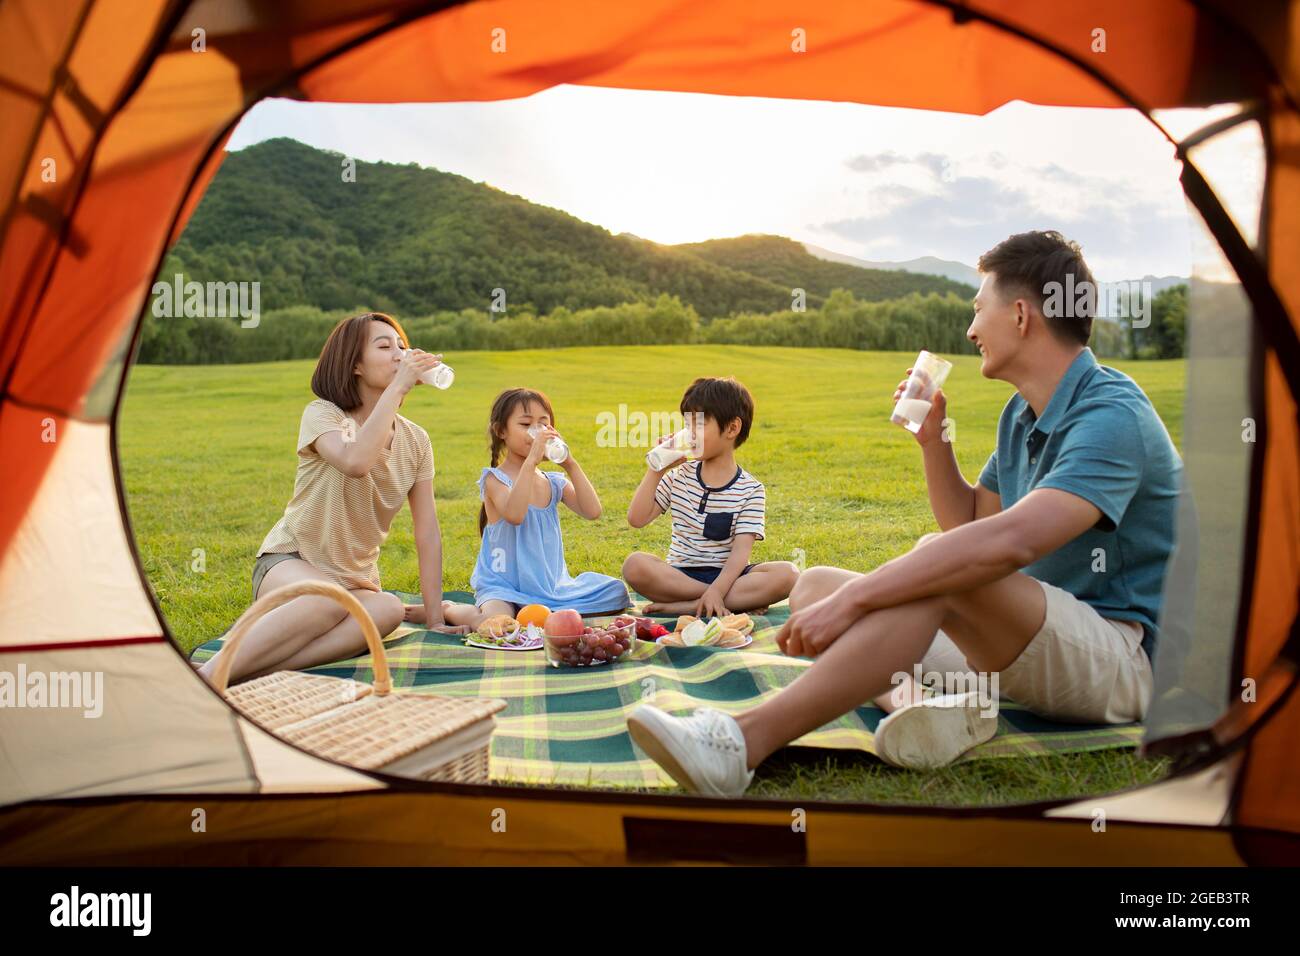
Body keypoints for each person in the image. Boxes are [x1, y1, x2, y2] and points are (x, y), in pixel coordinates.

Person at [626, 230, 1182, 796]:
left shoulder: (1111, 415)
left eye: (977, 309)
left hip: (1119, 662)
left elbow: (1008, 544)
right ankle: (920, 712)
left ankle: (741, 743)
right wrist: (933, 441)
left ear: (1019, 314)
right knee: (816, 584)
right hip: (1024, 649)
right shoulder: (1022, 415)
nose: (970, 330)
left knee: (938, 571)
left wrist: (861, 598)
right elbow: (969, 524)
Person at [196, 311, 467, 686]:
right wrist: (397, 389)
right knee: (326, 597)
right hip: (289, 561)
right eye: (384, 346)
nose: (399, 354)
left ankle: (253, 670)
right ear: (355, 364)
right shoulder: (323, 414)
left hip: (354, 584)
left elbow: (428, 533)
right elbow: (355, 461)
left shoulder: (416, 440)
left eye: (401, 346)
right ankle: (207, 680)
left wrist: (436, 617)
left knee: (387, 608)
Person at [441, 387, 628, 627]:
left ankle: (540, 611)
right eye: (526, 424)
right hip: (504, 586)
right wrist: (531, 462)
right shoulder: (494, 479)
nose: (536, 432)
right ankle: (449, 610)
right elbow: (515, 515)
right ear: (501, 431)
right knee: (497, 622)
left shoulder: (553, 482)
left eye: (543, 424)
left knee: (616, 592)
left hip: (549, 588)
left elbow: (593, 511)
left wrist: (570, 464)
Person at [623, 376, 799, 617]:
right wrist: (656, 470)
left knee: (788, 574)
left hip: (730, 576)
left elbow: (740, 555)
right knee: (635, 565)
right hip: (680, 576)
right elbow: (637, 518)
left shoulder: (751, 489)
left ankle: (693, 605)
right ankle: (720, 601)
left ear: (732, 428)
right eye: (687, 424)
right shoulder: (678, 476)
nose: (689, 433)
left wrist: (719, 589)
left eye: (699, 424)